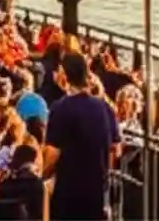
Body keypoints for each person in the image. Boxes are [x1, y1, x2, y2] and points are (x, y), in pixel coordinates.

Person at [44, 51, 120, 221]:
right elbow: (115, 148)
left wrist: (41, 175)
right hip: (96, 189)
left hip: (68, 191)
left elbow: (52, 153)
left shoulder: (60, 109)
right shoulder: (105, 108)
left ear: (64, 76)